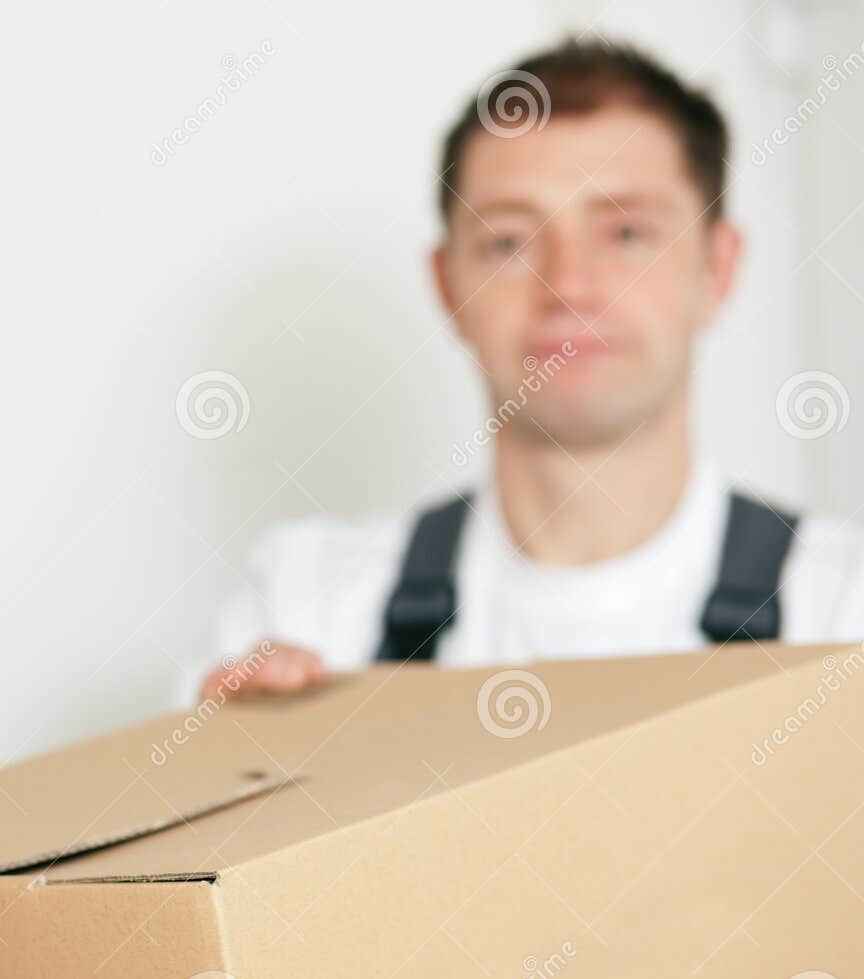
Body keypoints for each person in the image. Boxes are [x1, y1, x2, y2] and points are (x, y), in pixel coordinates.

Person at [190, 39, 864, 704]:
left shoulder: (846, 605)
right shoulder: (305, 602)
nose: (568, 285)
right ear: (447, 283)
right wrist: (226, 775)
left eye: (626, 233)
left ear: (718, 268)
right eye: (508, 241)